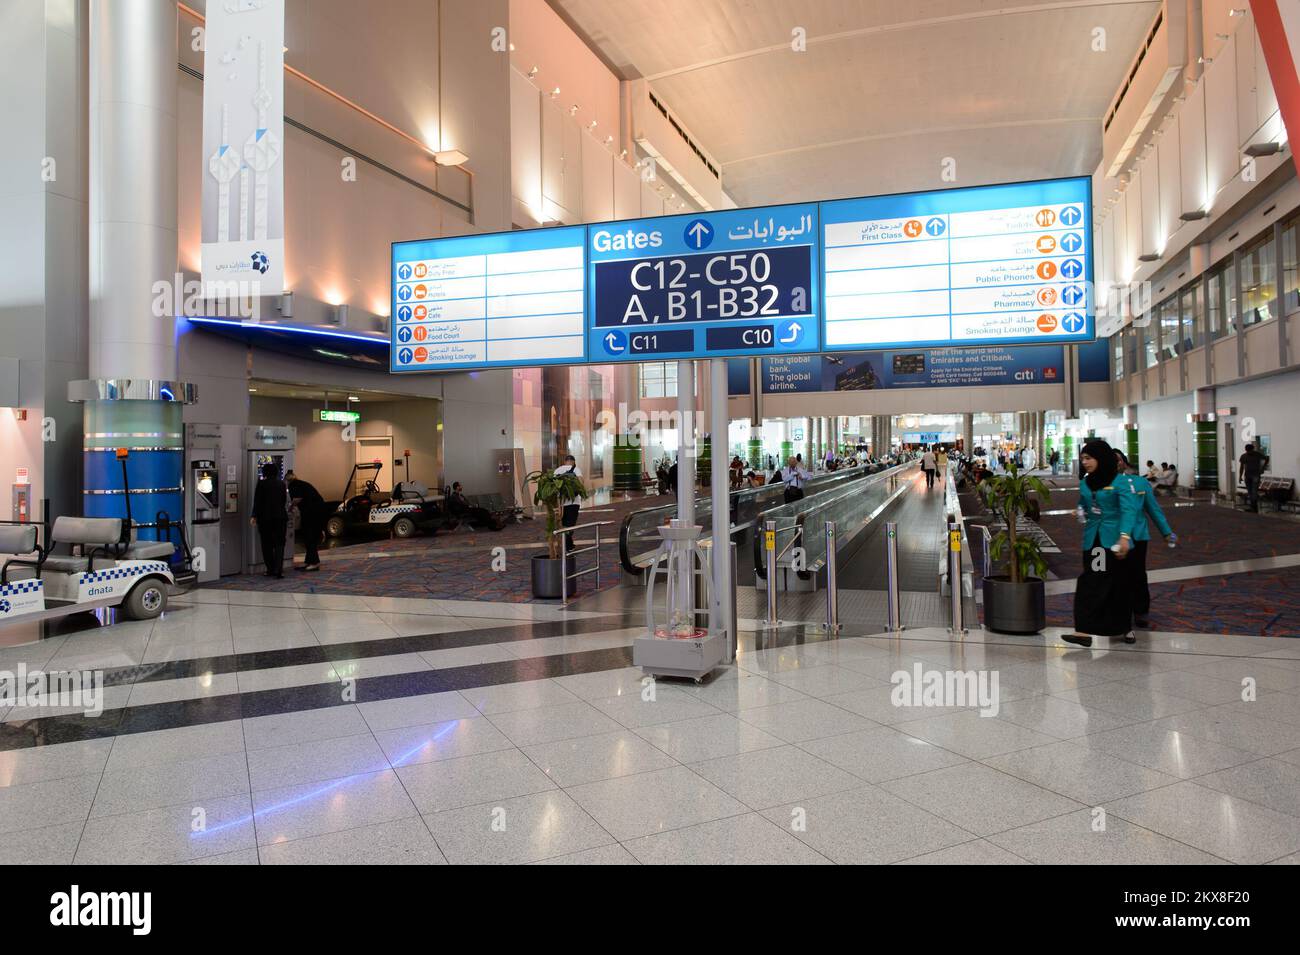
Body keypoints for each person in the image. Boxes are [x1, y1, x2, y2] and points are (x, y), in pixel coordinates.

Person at [1062, 439, 1140, 648]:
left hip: (1116, 541)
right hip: (1094, 542)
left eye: (1088, 458)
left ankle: (1124, 626)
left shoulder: (1121, 482)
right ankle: (1084, 630)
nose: (1085, 463)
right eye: (1083, 459)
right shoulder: (1086, 482)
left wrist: (1124, 537)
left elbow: (1128, 510)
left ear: (1101, 458)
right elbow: (1083, 505)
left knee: (1119, 584)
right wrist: (1079, 512)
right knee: (1091, 581)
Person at [1116, 449, 1176, 630]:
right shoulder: (1102, 485)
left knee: (1137, 575)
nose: (1116, 463)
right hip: (1112, 537)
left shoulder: (1140, 483)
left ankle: (1141, 611)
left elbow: (1153, 509)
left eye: (1119, 459)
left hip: (1138, 536)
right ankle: (1119, 611)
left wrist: (1167, 532)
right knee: (1116, 576)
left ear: (1124, 462)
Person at [250, 461, 289, 579]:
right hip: (281, 518)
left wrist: (254, 516)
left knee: (266, 544)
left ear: (264, 472)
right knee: (279, 544)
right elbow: (283, 501)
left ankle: (270, 569)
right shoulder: (282, 484)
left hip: (265, 518)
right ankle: (279, 570)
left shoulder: (262, 484)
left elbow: (257, 501)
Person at [286, 470, 325, 571]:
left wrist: (289, 508)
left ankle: (314, 562)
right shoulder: (302, 483)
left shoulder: (293, 486)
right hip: (317, 511)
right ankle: (309, 561)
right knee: (308, 536)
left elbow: (297, 499)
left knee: (309, 537)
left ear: (287, 480)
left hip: (312, 512)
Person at [553, 454, 582, 547]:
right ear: (573, 462)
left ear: (565, 461)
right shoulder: (575, 469)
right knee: (570, 524)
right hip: (573, 502)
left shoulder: (558, 470)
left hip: (560, 502)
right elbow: (581, 481)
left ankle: (568, 544)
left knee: (563, 523)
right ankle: (567, 545)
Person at [1239, 442, 1268, 512]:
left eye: (1250, 451)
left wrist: (1263, 468)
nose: (1248, 452)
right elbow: (1241, 467)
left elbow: (1266, 458)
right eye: (1247, 451)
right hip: (1248, 475)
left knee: (1254, 491)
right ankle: (1253, 506)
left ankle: (1254, 507)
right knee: (1250, 492)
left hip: (1255, 475)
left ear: (1252, 449)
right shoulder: (1244, 456)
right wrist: (1240, 476)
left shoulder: (1257, 454)